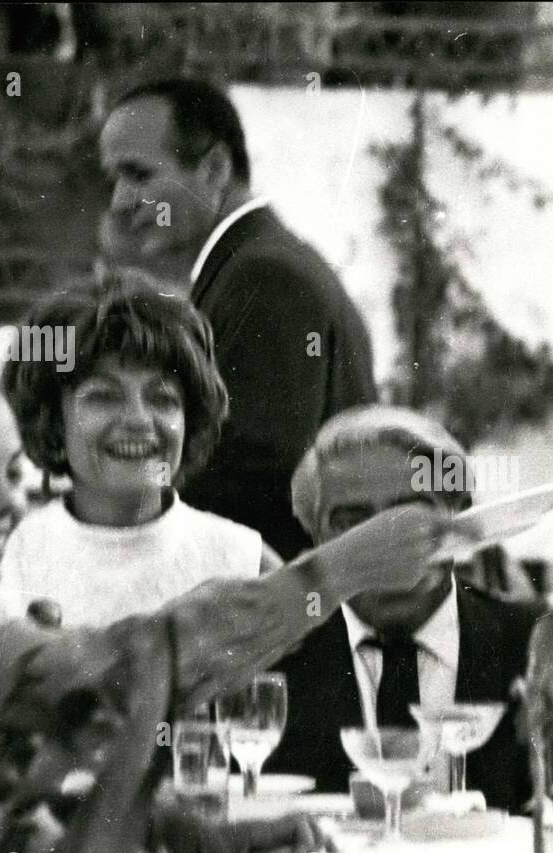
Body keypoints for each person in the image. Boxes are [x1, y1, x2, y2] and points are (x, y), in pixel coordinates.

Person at [0, 329, 454, 853]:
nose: (7, 503)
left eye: (12, 474)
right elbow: (119, 671)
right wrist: (340, 569)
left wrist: (207, 837)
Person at [269, 406, 553, 818]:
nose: (386, 541)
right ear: (318, 540)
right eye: (353, 524)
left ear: (458, 518)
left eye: (410, 516)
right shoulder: (274, 663)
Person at [99, 77, 376, 559]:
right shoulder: (253, 265)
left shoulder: (264, 275)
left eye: (139, 175)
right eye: (114, 180)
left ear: (215, 169)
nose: (121, 201)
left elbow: (251, 485)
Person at [0, 269, 281, 626]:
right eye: (103, 397)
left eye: (162, 399)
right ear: (52, 419)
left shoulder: (249, 564)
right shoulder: (4, 566)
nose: (138, 420)